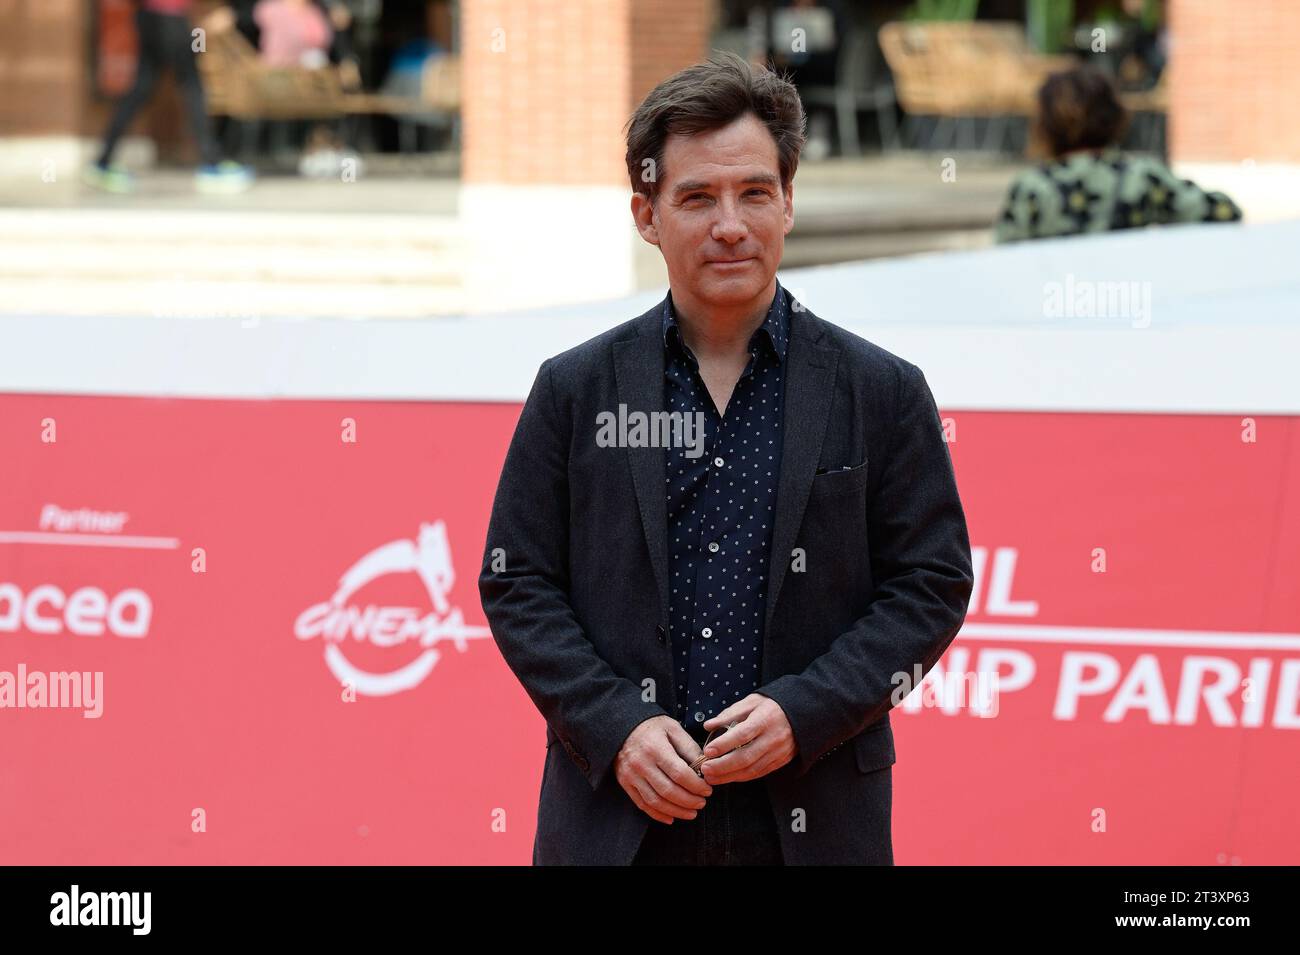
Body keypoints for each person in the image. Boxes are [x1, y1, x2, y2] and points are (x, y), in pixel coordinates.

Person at [479, 51, 974, 866]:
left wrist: (806, 710)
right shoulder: (573, 389)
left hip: (813, 813)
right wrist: (616, 725)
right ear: (647, 214)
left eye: (754, 192)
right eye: (697, 197)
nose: (731, 224)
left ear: (788, 202)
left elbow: (931, 583)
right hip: (619, 815)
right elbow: (516, 577)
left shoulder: (882, 389)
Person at [995, 67, 1240, 243]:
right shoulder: (1141, 177)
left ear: (1044, 126)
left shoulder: (1031, 188)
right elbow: (1224, 212)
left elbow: (1005, 257)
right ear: (1115, 116)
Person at [84, 0, 253, 194]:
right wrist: (228, 13)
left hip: (148, 18)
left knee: (139, 91)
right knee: (193, 87)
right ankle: (212, 165)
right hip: (170, 19)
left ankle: (102, 162)